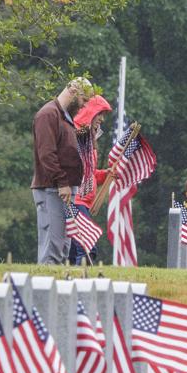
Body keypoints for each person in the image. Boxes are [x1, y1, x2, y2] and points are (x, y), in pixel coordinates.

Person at [31, 77, 94, 264]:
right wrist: (62, 182)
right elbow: (46, 154)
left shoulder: (66, 118)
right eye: (84, 101)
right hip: (52, 189)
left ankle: (58, 289)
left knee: (63, 247)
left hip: (65, 190)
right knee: (52, 247)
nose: (83, 107)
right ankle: (44, 289)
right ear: (74, 91)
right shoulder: (48, 115)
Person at [68, 95, 113, 265]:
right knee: (86, 245)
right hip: (75, 198)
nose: (101, 119)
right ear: (90, 112)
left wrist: (105, 174)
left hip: (84, 200)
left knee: (75, 249)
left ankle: (71, 281)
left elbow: (89, 172)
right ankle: (82, 281)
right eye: (99, 113)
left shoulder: (90, 137)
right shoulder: (77, 135)